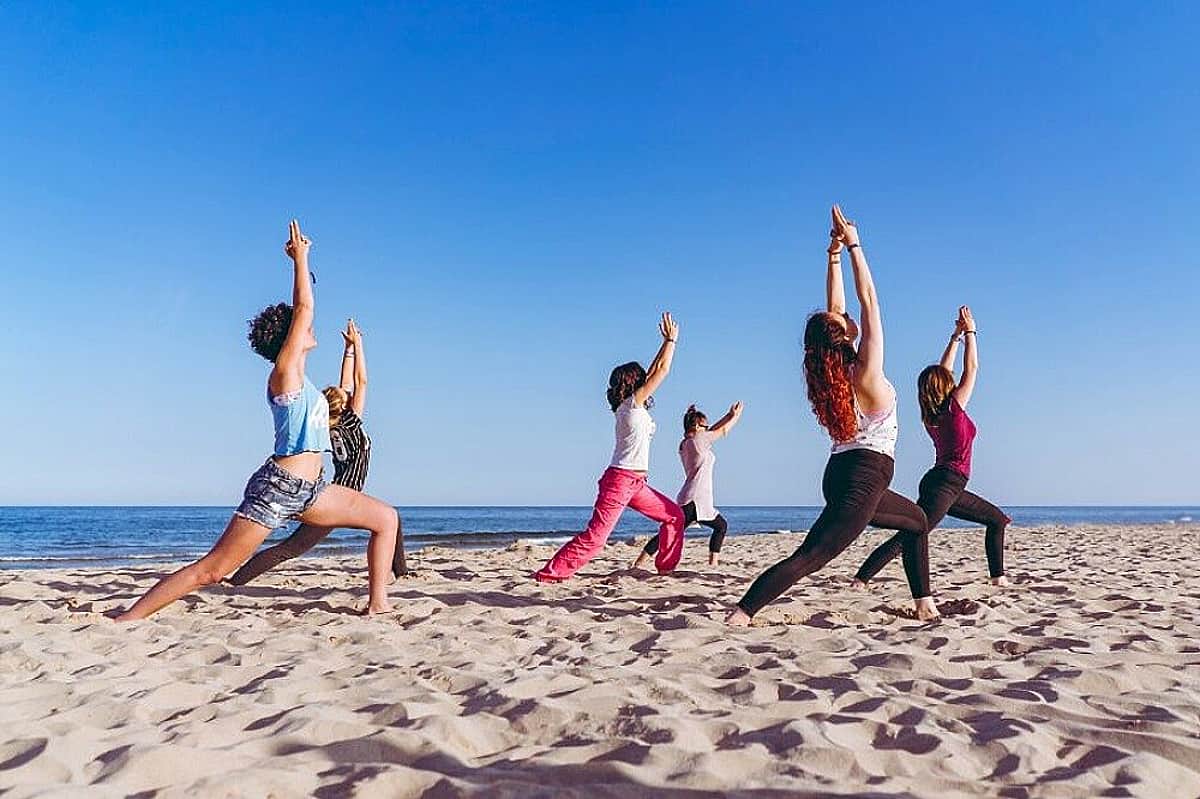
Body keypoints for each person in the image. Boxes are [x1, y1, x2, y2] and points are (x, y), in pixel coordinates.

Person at [115, 220, 399, 620]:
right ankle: (127, 618)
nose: (310, 328)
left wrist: (353, 350)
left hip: (314, 490)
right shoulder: (286, 375)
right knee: (212, 571)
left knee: (385, 518)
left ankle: (379, 605)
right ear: (290, 340)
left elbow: (343, 371)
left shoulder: (307, 382)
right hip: (279, 487)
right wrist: (301, 259)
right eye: (302, 329)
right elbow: (304, 308)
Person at [728, 206, 939, 625]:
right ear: (841, 334)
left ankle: (924, 603)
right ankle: (742, 612)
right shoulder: (865, 372)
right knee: (813, 556)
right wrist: (856, 243)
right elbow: (869, 302)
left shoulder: (833, 372)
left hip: (846, 472)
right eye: (840, 319)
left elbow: (838, 305)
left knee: (917, 522)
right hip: (863, 478)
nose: (842, 313)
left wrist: (834, 255)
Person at [227, 318, 409, 585]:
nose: (349, 395)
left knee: (390, 519)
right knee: (291, 548)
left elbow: (346, 383)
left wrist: (347, 350)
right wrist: (359, 345)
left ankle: (402, 572)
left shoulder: (331, 422)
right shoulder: (351, 421)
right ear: (344, 407)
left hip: (334, 491)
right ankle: (235, 581)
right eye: (346, 397)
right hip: (337, 495)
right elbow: (361, 381)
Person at [854, 305, 1011, 588]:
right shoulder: (953, 408)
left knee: (997, 520)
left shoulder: (931, 412)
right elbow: (971, 368)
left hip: (948, 485)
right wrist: (972, 331)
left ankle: (998, 578)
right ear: (944, 387)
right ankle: (862, 578)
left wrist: (955, 337)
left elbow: (943, 371)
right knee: (913, 532)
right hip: (946, 484)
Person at [534, 313, 687, 582]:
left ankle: (666, 569)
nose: (647, 380)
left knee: (674, 516)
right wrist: (672, 341)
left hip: (636, 483)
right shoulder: (631, 405)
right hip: (620, 480)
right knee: (596, 539)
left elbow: (653, 371)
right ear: (634, 383)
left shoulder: (631, 405)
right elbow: (661, 371)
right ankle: (549, 574)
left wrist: (664, 344)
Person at [633, 401, 743, 569]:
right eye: (704, 426)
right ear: (698, 426)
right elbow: (722, 430)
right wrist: (735, 417)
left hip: (695, 497)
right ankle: (640, 562)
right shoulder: (698, 441)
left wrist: (728, 416)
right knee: (672, 531)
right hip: (695, 499)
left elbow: (712, 430)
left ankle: (641, 561)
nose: (707, 429)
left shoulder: (687, 443)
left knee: (681, 529)